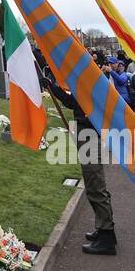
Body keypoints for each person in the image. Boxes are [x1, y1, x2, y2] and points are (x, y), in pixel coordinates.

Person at [47, 71, 117, 256]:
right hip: (86, 132)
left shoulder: (94, 83)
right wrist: (52, 88)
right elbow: (73, 103)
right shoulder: (86, 82)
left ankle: (107, 237)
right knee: (93, 183)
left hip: (90, 133)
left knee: (95, 184)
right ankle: (103, 228)